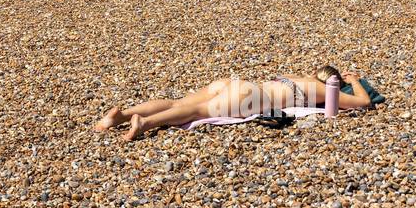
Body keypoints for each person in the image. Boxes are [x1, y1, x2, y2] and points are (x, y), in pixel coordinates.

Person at [95, 66, 377, 141]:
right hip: (250, 97)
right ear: (333, 81)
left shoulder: (299, 77)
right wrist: (355, 81)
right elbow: (363, 103)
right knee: (195, 112)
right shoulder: (324, 90)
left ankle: (120, 116)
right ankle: (145, 123)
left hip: (235, 84)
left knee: (177, 100)